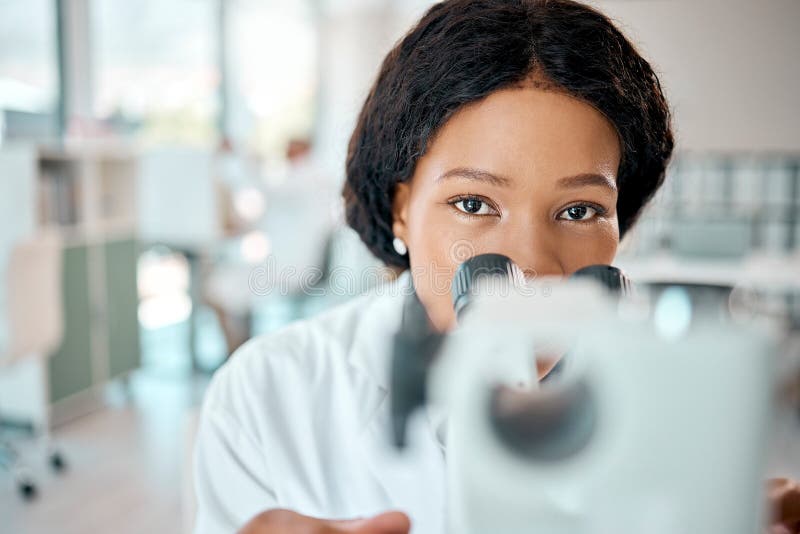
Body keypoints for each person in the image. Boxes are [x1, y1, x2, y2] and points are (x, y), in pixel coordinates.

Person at [192, 1, 799, 533]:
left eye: (581, 209)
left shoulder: (684, 393)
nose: (531, 265)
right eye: (474, 204)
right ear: (401, 209)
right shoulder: (268, 393)